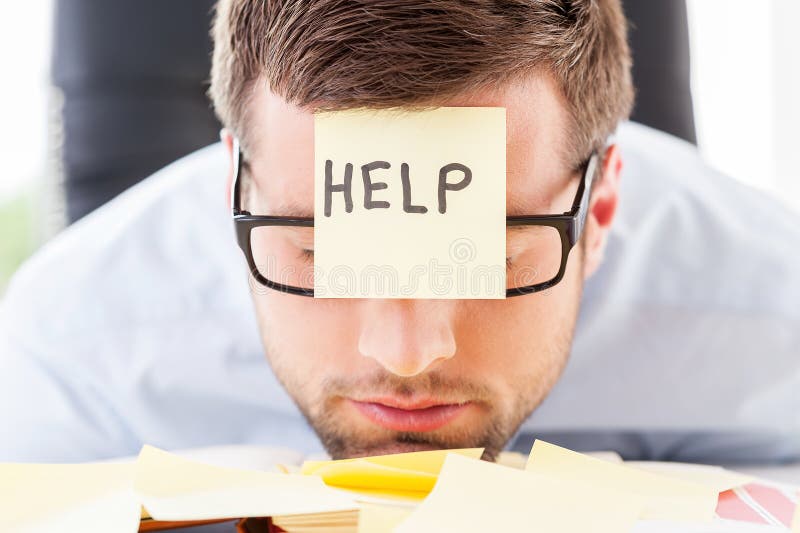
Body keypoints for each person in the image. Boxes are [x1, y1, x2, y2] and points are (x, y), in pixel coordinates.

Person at [2, 0, 799, 464]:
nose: (407, 353)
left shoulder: (771, 320)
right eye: (319, 251)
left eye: (487, 256)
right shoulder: (74, 355)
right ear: (233, 187)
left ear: (597, 210)